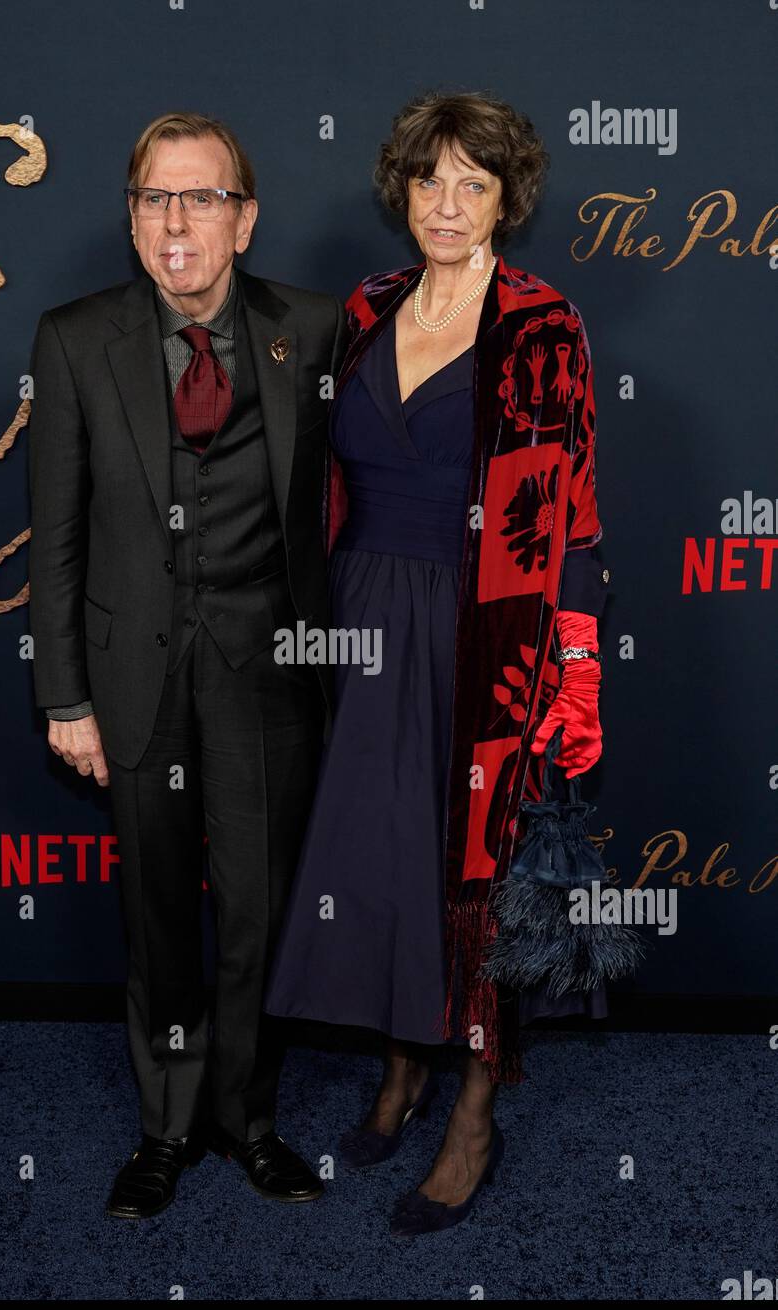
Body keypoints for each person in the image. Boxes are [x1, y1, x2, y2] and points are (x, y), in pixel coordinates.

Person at [265, 91, 612, 1238]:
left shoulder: (541, 326)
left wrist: (574, 671)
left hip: (484, 639)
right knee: (374, 859)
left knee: (473, 882)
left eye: (475, 182)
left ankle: (470, 1108)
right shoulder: (363, 308)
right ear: (400, 191)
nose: (448, 204)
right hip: (359, 620)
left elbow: (570, 516)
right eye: (429, 181)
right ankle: (401, 1064)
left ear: (509, 199)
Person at [28, 111, 347, 1218]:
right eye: (155, 198)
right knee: (158, 912)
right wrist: (64, 694)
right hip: (130, 681)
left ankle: (247, 1121)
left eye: (201, 197)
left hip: (268, 675)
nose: (176, 221)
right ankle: (164, 1128)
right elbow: (55, 534)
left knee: (259, 911)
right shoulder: (72, 340)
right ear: (130, 218)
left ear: (243, 219)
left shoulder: (311, 331)